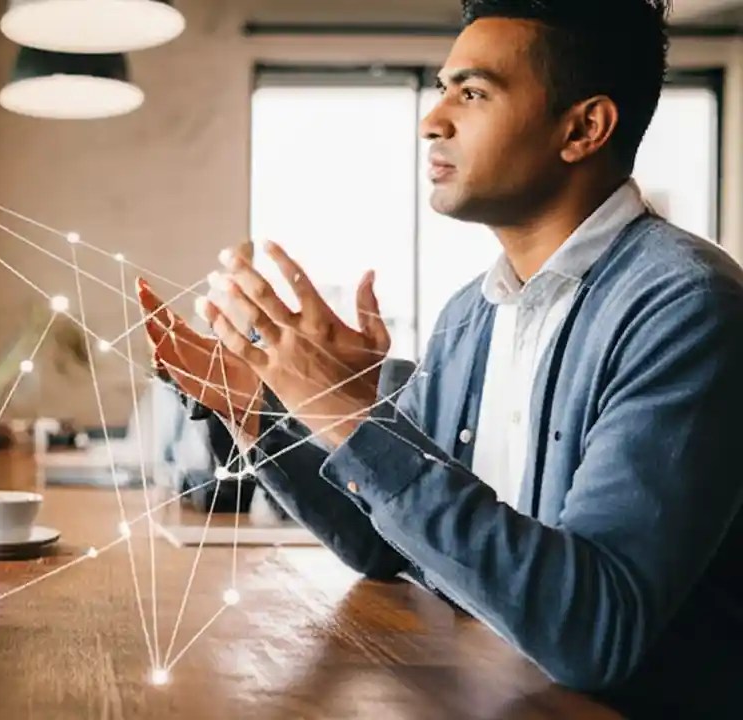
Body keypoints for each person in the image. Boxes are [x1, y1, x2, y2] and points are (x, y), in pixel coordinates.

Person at [140, 1, 743, 716]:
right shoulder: (470, 315)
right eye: (443, 87)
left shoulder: (686, 306)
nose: (434, 119)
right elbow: (382, 542)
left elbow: (591, 632)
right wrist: (265, 415)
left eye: (475, 92)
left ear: (582, 128)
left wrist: (345, 412)